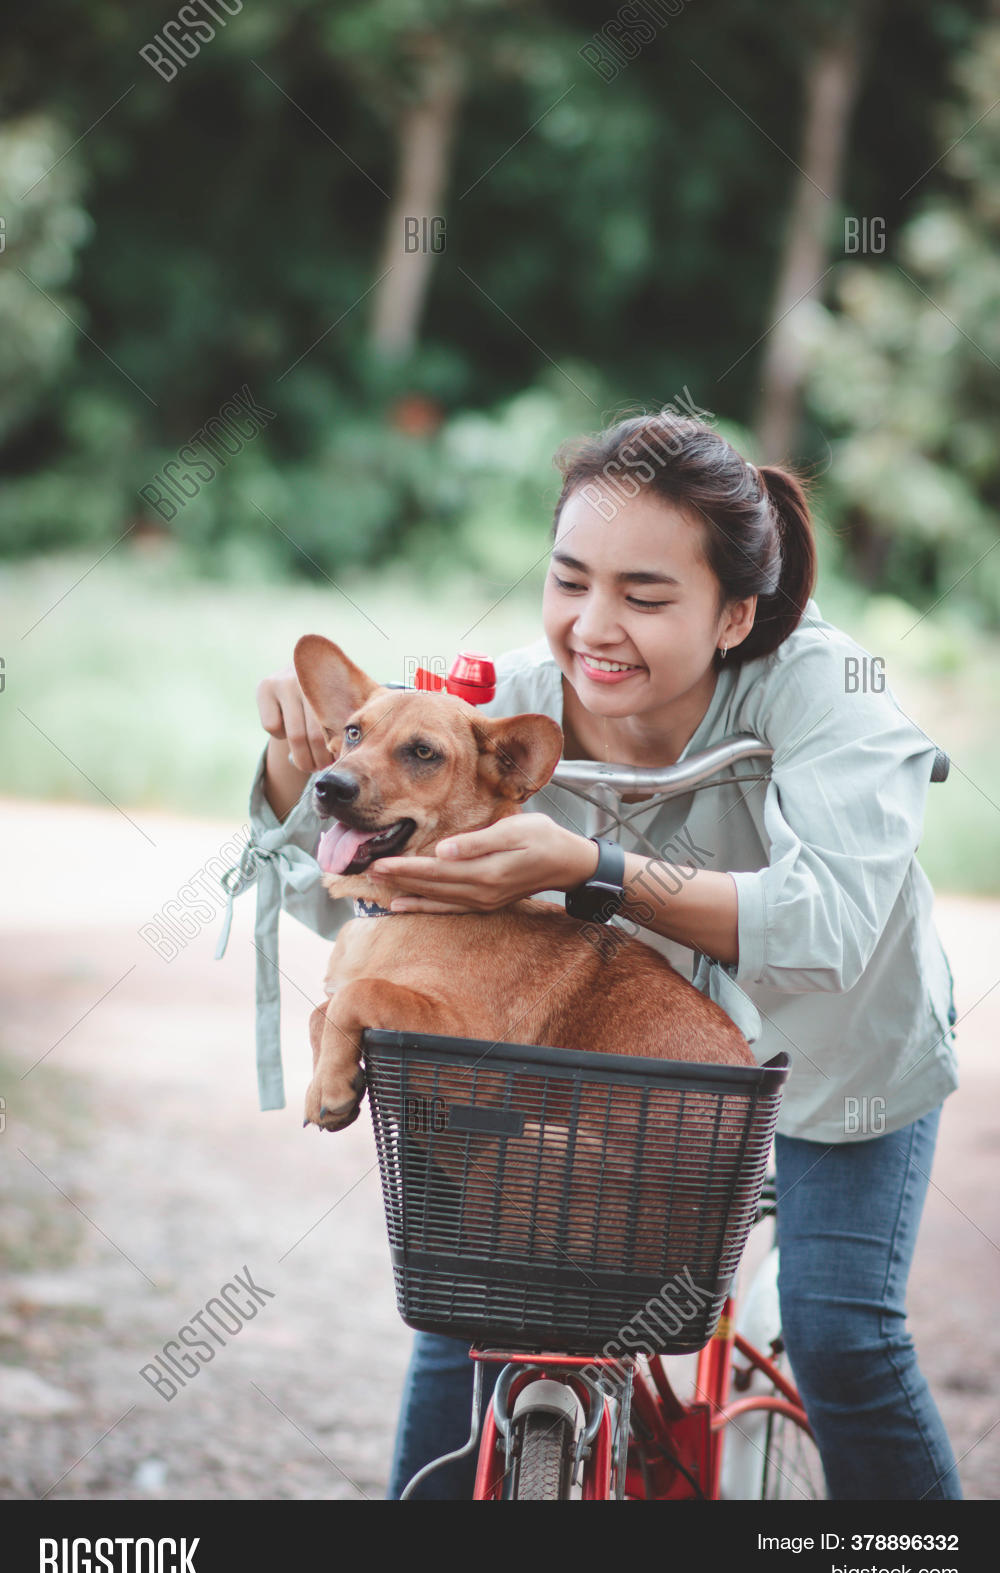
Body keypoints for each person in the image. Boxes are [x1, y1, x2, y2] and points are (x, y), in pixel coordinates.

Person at [246, 410, 962, 1501]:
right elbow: (355, 908)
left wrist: (591, 866)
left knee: (841, 1334)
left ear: (734, 614)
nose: (593, 625)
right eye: (569, 579)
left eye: (644, 594)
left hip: (837, 1053)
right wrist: (299, 786)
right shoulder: (505, 716)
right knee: (473, 1313)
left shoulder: (827, 694)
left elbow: (829, 923)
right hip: (607, 1066)